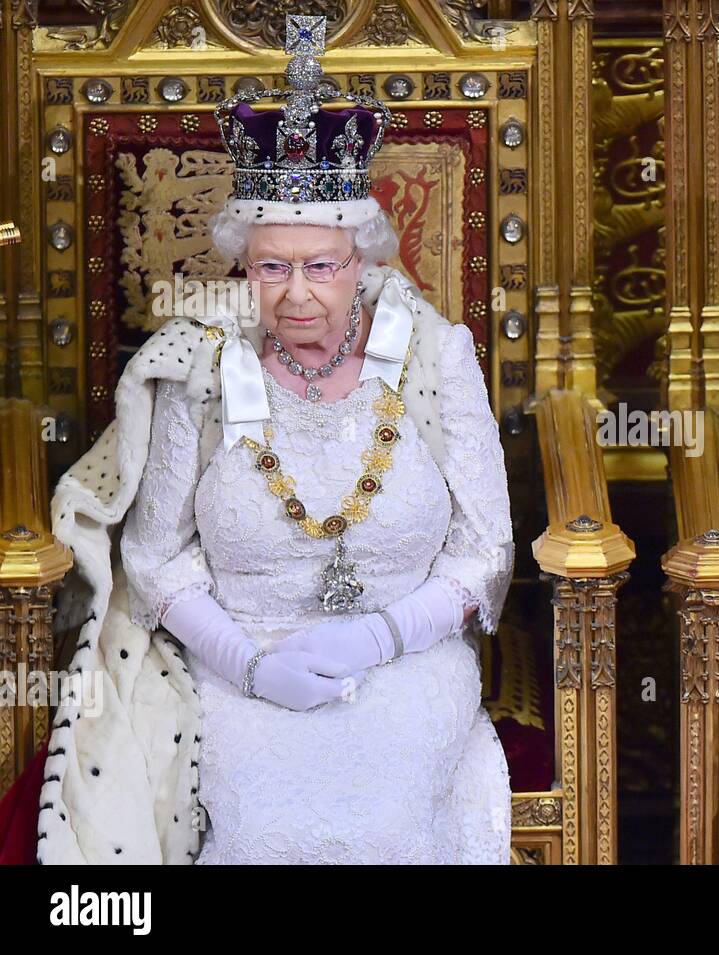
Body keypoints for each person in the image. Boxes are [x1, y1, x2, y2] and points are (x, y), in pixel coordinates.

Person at [36, 15, 514, 864]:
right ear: (245, 266)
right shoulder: (201, 369)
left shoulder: (437, 357)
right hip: (238, 674)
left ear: (363, 260)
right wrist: (248, 664)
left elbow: (485, 550)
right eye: (271, 266)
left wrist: (381, 635)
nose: (296, 293)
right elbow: (154, 559)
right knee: (260, 830)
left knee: (387, 827)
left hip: (407, 665)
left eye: (321, 265)